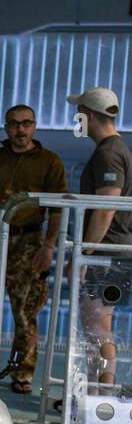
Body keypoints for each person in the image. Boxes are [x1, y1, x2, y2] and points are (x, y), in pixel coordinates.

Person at [0, 104, 67, 393]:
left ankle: (22, 371)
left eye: (26, 123)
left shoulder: (50, 162)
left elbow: (58, 210)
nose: (20, 129)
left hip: (28, 242)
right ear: (6, 127)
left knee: (25, 310)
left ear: (34, 126)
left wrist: (49, 246)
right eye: (14, 124)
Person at [69, 87, 132, 389]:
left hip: (106, 256)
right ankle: (96, 392)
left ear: (90, 116)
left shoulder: (109, 154)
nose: (76, 119)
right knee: (98, 328)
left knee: (98, 328)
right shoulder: (116, 150)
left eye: (78, 114)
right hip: (111, 255)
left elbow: (106, 210)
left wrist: (84, 255)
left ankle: (102, 398)